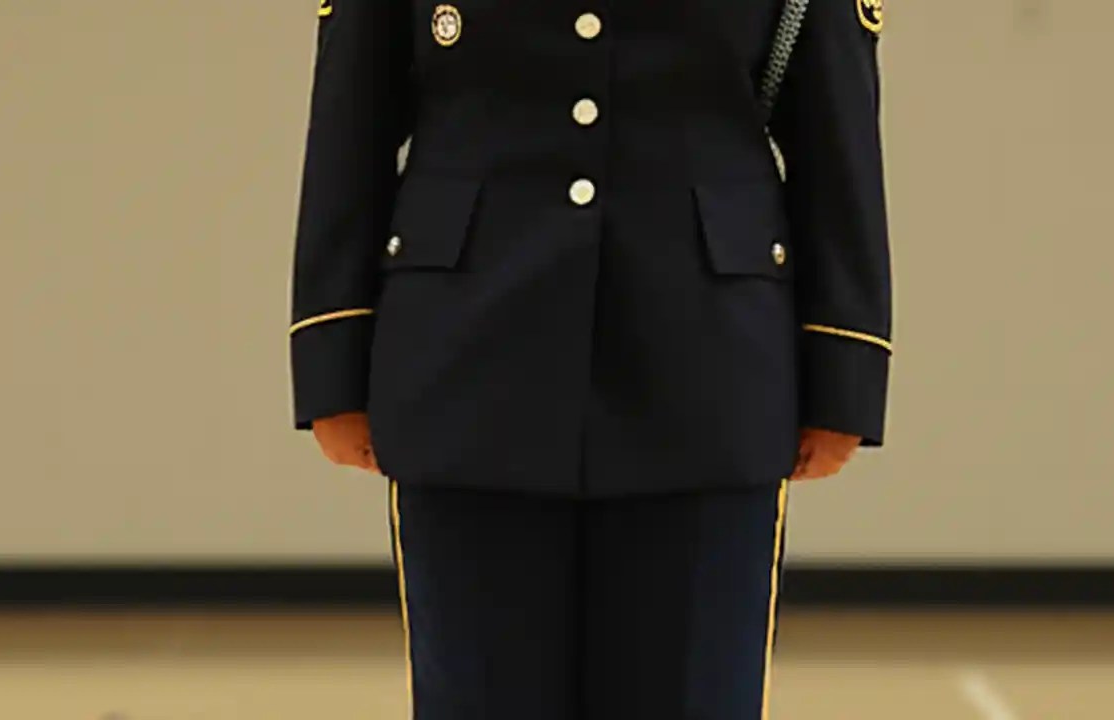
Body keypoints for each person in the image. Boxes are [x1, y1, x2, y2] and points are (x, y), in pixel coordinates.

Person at [288, 0, 891, 717]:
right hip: (470, 362)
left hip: (706, 368)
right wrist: (332, 350)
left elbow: (834, 128)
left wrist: (843, 364)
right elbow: (352, 122)